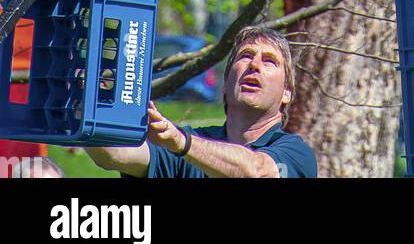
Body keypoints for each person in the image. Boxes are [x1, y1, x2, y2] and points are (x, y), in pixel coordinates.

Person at [83, 25, 316, 179]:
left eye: (269, 61)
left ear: (287, 93)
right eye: (245, 56)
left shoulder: (296, 153)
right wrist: (79, 96)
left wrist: (181, 142)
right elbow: (115, 154)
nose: (254, 65)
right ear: (225, 85)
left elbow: (257, 171)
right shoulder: (190, 145)